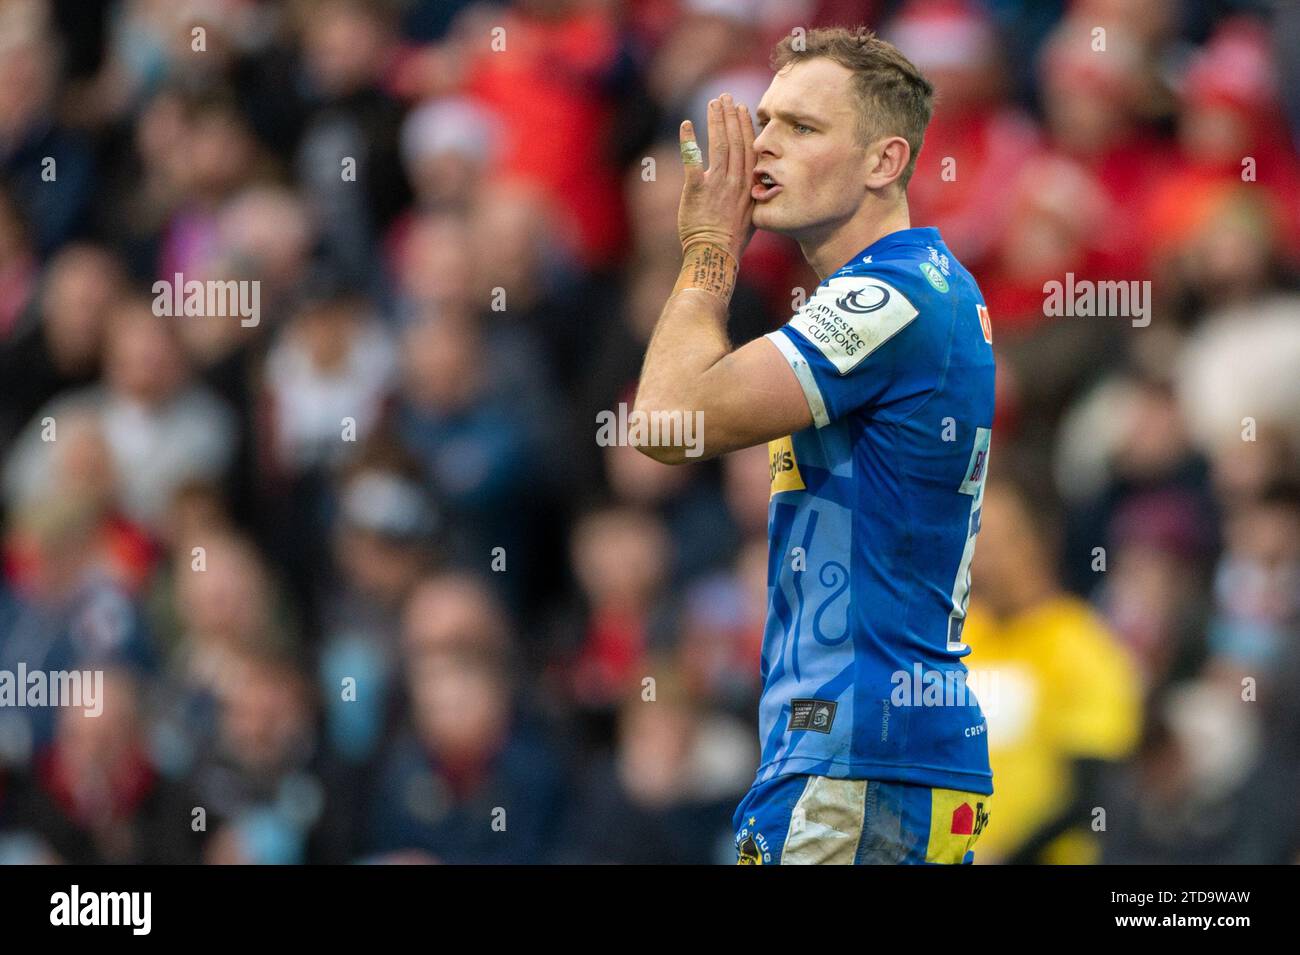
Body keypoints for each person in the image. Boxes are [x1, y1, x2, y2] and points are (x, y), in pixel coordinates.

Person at [632, 26, 995, 864]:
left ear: (883, 161)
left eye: (801, 127)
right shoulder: (925, 288)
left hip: (858, 758)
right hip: (890, 759)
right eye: (764, 121)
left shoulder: (891, 293)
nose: (762, 145)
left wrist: (709, 252)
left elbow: (664, 420)